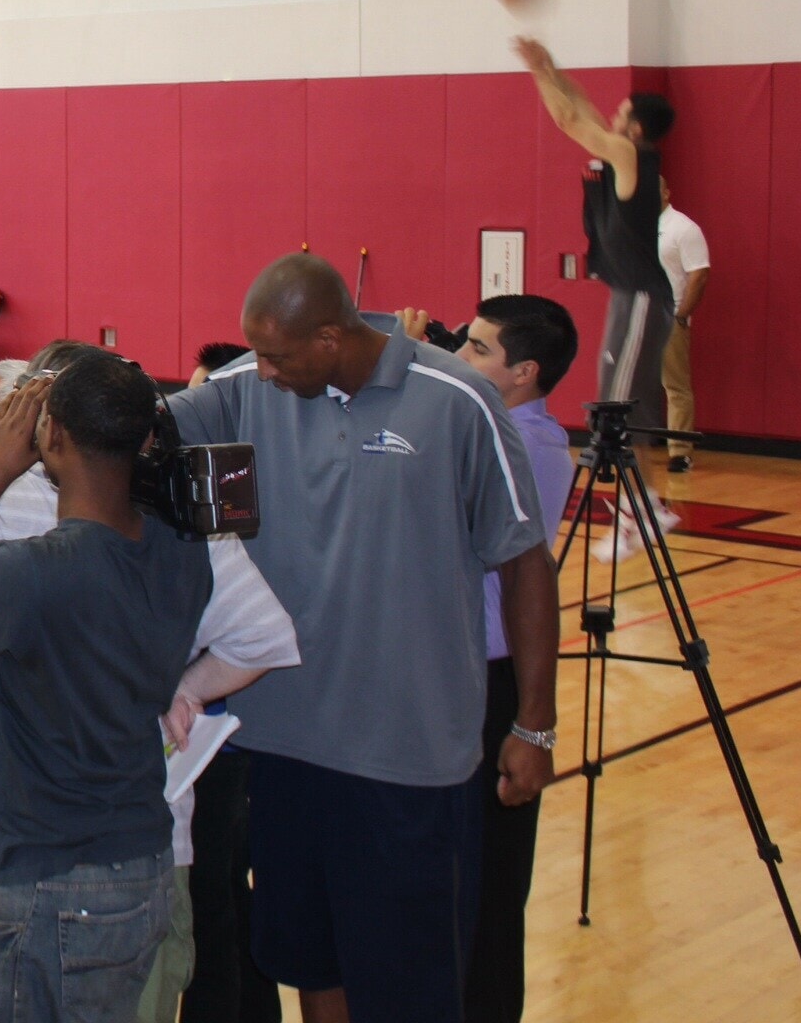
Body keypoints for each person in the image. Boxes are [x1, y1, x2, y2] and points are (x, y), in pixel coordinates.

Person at [166, 253, 558, 1023]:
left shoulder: (457, 401)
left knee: (409, 982)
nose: (264, 371)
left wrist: (533, 724)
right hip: (282, 750)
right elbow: (137, 428)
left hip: (407, 761)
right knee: (312, 959)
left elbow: (526, 566)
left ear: (332, 336)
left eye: (279, 355)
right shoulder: (251, 386)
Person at [0, 348, 299, 1023]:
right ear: (146, 438)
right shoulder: (185, 548)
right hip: (141, 857)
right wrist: (187, 688)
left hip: (42, 874)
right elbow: (259, 635)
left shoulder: (25, 574)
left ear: (47, 434)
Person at [451, 295, 578, 1023]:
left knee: (492, 888)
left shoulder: (526, 445)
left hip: (497, 682)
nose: (459, 358)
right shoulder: (498, 429)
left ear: (525, 372)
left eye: (476, 349)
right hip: (469, 678)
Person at [514, 38, 678, 518]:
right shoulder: (622, 154)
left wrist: (538, 70)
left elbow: (568, 120)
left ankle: (640, 509)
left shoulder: (630, 156)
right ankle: (645, 504)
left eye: (621, 111)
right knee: (622, 400)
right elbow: (580, 106)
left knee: (618, 405)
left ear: (636, 127)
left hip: (643, 297)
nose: (612, 116)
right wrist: (553, 66)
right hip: (632, 296)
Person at [657, 180, 711, 475]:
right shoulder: (635, 226)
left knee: (675, 386)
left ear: (667, 192)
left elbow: (699, 274)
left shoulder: (683, 228)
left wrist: (681, 314)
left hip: (668, 317)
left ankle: (679, 452)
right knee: (629, 385)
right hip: (639, 316)